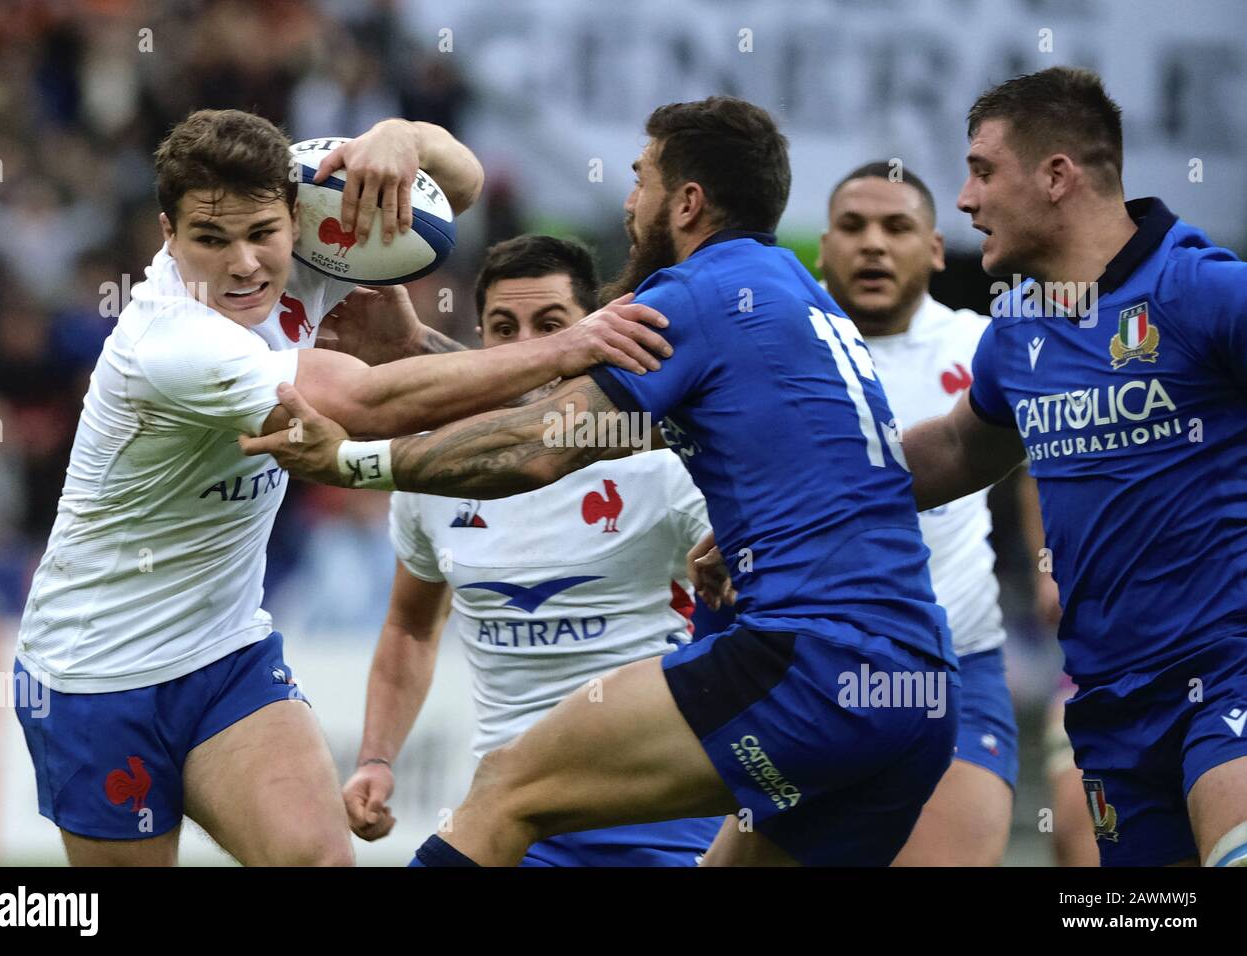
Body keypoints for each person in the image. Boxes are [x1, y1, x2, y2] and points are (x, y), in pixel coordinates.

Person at [244, 95, 959, 867]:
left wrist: (349, 461)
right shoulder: (796, 295)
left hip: (814, 661)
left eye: (639, 179)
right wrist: (418, 346)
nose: (628, 202)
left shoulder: (695, 293)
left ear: (687, 203)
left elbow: (540, 446)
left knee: (507, 787)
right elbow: (603, 424)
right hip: (916, 687)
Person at [13, 108, 670, 866]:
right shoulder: (168, 343)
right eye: (209, 240)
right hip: (99, 670)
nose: (244, 266)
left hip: (224, 651)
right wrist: (570, 344)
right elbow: (365, 403)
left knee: (320, 860)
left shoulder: (312, 228)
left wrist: (405, 138)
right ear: (168, 232)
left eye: (263, 234)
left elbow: (460, 186)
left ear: (299, 214)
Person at [897, 67, 1247, 867]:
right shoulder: (1018, 334)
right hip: (1110, 707)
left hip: (1230, 672)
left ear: (1057, 176)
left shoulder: (1204, 291)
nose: (964, 198)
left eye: (983, 170)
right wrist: (786, 513)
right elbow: (955, 450)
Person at [343, 234, 722, 865]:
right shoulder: (433, 475)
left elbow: (751, 578)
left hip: (657, 810)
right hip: (513, 814)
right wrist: (377, 759)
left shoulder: (657, 466)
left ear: (594, 330)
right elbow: (410, 627)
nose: (529, 348)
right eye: (503, 327)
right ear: (480, 339)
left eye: (551, 325)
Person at [817, 161, 1017, 865]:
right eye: (853, 226)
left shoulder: (983, 344)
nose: (873, 244)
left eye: (897, 227)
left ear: (935, 249)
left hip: (950, 667)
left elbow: (1033, 460)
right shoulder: (770, 342)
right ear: (821, 247)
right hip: (801, 669)